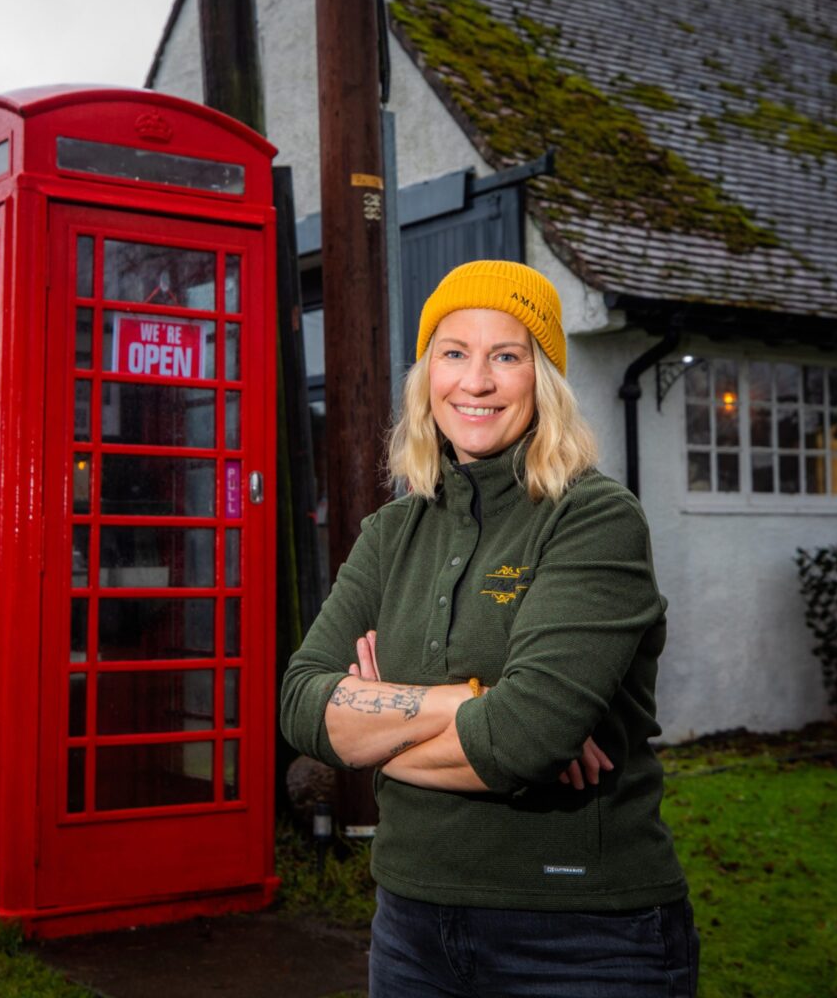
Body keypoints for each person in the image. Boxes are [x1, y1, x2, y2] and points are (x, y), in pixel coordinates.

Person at [280, 260, 696, 997]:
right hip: (410, 929)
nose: (475, 382)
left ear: (544, 382)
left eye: (506, 356)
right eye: (453, 353)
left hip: (580, 938)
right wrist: (473, 704)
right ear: (426, 376)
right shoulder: (390, 533)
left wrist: (375, 736)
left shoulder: (592, 518)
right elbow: (302, 703)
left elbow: (527, 738)